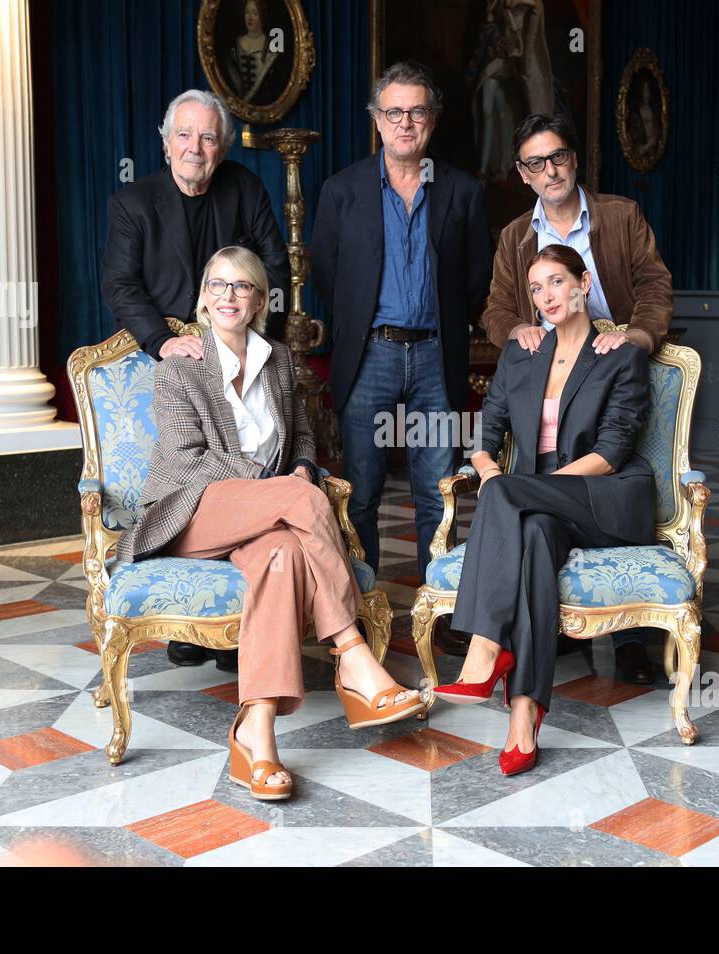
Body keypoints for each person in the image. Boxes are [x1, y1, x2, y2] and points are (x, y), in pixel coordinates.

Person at [115, 246, 425, 801]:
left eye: (241, 287)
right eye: (217, 285)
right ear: (203, 297)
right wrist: (280, 486)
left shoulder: (278, 360)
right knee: (302, 500)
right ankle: (353, 656)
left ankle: (254, 735)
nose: (227, 296)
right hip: (191, 508)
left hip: (267, 517)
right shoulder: (179, 366)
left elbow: (302, 437)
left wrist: (301, 468)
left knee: (283, 554)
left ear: (260, 299)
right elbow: (189, 459)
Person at [434, 244, 654, 776]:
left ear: (583, 283)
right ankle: (522, 719)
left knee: (513, 496)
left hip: (603, 497)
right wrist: (490, 472)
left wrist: (523, 487)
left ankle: (484, 648)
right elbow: (484, 438)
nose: (546, 296)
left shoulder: (618, 353)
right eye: (536, 288)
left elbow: (611, 451)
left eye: (556, 282)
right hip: (539, 504)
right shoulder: (522, 353)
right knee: (530, 535)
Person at [479, 112, 672, 684]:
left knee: (592, 470)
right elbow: (497, 309)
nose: (550, 170)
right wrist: (519, 330)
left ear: (574, 159)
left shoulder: (619, 215)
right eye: (535, 162)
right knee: (541, 513)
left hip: (616, 361)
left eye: (557, 156)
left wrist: (631, 339)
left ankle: (633, 638)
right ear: (523, 173)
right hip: (558, 366)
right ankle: (553, 628)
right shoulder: (517, 236)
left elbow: (654, 287)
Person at [102, 88, 288, 672]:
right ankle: (194, 626)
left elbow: (274, 265)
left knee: (249, 463)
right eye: (184, 135)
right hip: (173, 362)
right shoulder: (134, 202)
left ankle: (238, 625)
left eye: (208, 137)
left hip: (238, 349)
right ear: (166, 143)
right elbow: (121, 287)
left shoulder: (246, 187)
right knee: (203, 470)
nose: (195, 147)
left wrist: (254, 335)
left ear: (223, 145)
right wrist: (164, 340)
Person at [311, 61, 492, 582]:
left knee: (437, 491)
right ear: (377, 119)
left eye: (416, 112)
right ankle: (363, 607)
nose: (405, 123)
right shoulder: (342, 191)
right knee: (361, 491)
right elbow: (327, 269)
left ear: (431, 120)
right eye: (394, 112)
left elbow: (476, 276)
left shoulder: (462, 192)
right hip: (371, 356)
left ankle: (440, 608)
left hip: (437, 357)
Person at [225, 0, 278, 103]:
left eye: (255, 13)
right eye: (247, 12)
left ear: (262, 17)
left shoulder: (271, 46)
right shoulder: (236, 43)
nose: (249, 18)